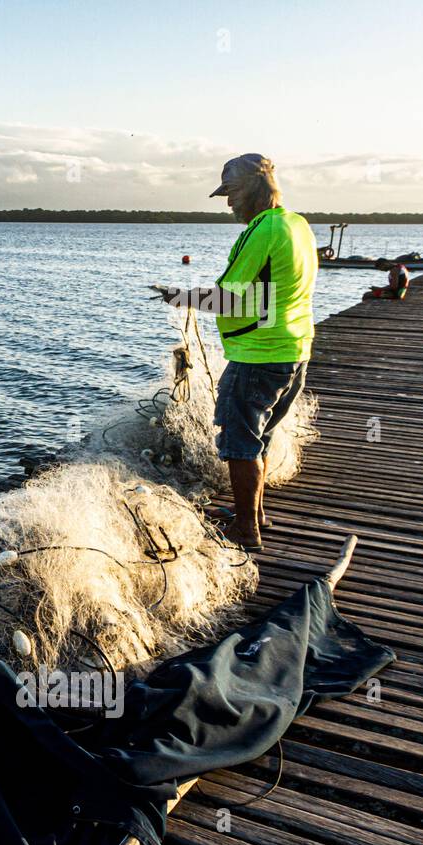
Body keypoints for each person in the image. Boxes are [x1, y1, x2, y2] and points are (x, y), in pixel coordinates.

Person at [159, 154, 316, 552]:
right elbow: (266, 296)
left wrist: (178, 296)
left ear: (253, 187)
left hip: (259, 356)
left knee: (239, 443)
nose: (229, 204)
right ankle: (255, 513)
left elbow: (228, 298)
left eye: (231, 193)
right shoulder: (296, 225)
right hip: (294, 350)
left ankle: (246, 529)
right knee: (259, 437)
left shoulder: (261, 230)